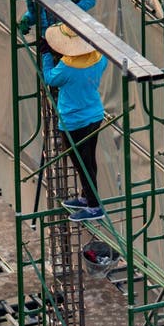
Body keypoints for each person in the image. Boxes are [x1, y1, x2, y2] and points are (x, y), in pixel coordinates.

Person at [41, 22, 108, 222]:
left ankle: (94, 206)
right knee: (89, 160)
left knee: (81, 164)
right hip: (94, 115)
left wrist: (46, 56)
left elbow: (50, 79)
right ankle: (87, 197)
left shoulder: (67, 67)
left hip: (74, 121)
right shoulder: (99, 58)